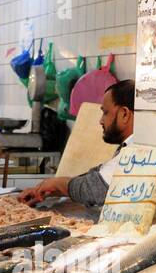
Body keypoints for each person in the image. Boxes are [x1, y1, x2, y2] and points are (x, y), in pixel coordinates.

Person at [17, 79, 135, 207]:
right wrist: (52, 190)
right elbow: (97, 176)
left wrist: (58, 184)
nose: (101, 121)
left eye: (105, 112)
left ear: (124, 114)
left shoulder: (137, 150)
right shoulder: (128, 147)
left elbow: (95, 189)